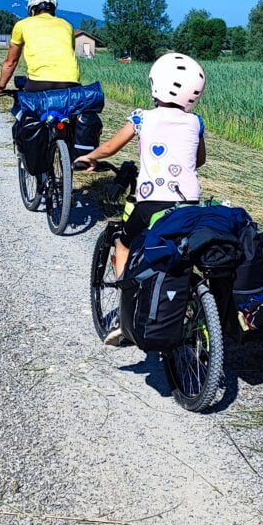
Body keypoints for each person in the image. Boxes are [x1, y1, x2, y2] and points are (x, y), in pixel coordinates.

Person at [76, 52, 207, 345]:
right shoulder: (195, 123)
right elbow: (198, 160)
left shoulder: (141, 117)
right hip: (188, 204)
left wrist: (90, 158)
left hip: (150, 203)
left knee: (123, 244)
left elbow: (110, 147)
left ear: (156, 85)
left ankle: (125, 317)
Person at [0, 0, 80, 95]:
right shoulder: (67, 25)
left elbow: (11, 62)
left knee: (27, 104)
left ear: (32, 10)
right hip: (71, 84)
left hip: (39, 84)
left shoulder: (22, 24)